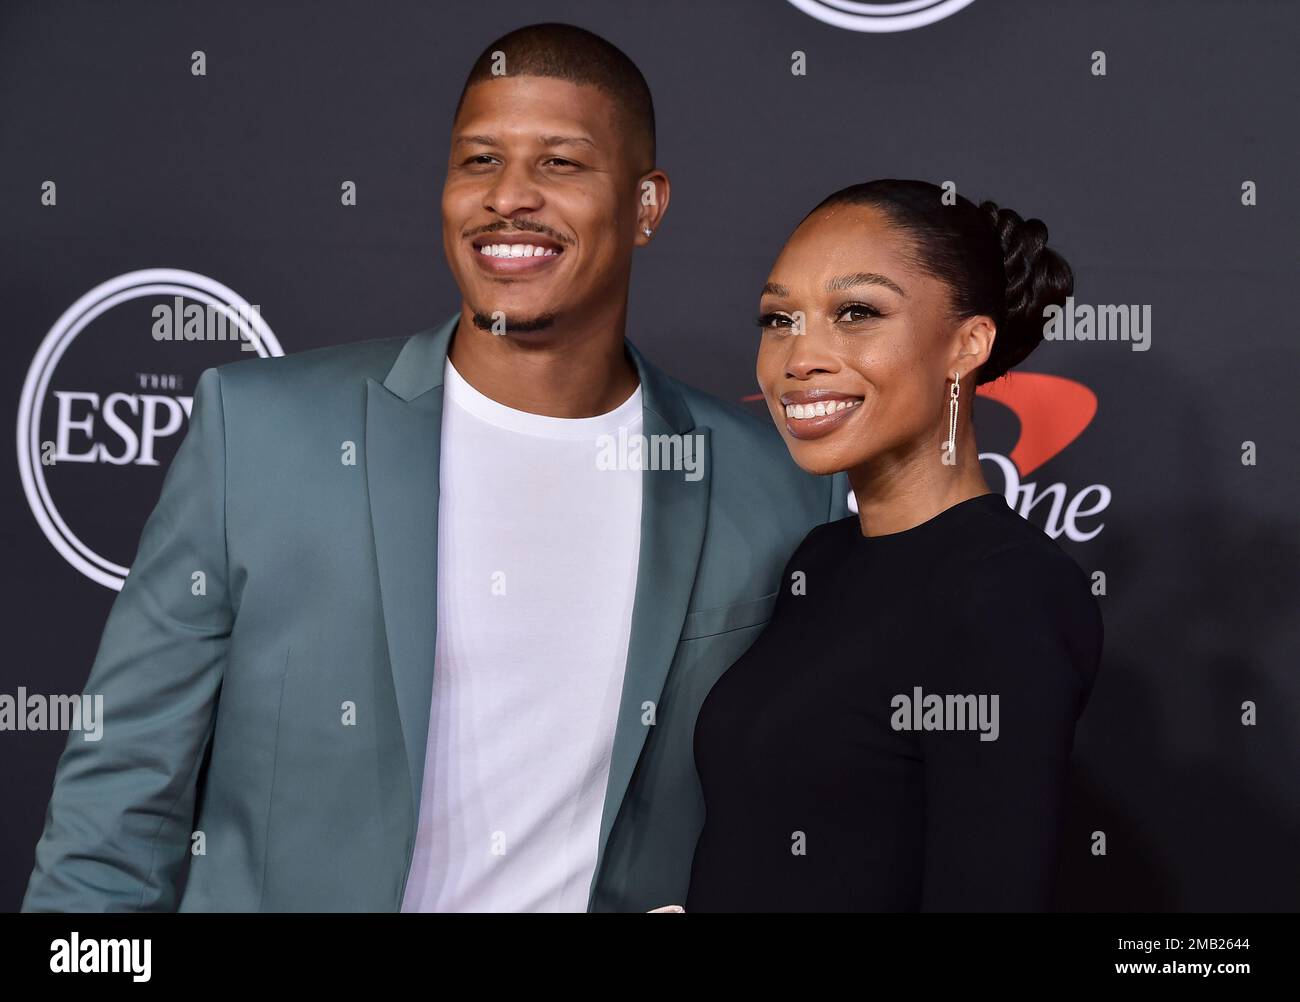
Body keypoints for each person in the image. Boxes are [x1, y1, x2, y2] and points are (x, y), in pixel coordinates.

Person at [22, 23, 847, 914]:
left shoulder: (781, 484)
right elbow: (115, 805)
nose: (509, 198)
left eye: (561, 164)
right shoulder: (261, 435)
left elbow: (827, 806)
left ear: (647, 205)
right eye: (479, 160)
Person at [683, 179, 1104, 911]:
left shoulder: (1008, 595)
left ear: (967, 345)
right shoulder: (823, 558)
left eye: (856, 313)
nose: (798, 356)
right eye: (778, 318)